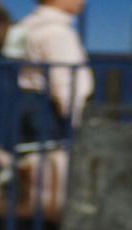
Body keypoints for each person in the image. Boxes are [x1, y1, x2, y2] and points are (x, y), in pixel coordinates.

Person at [12, 0, 93, 142]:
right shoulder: (57, 32)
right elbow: (65, 83)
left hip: (26, 110)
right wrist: (76, 126)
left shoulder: (23, 26)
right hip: (51, 116)